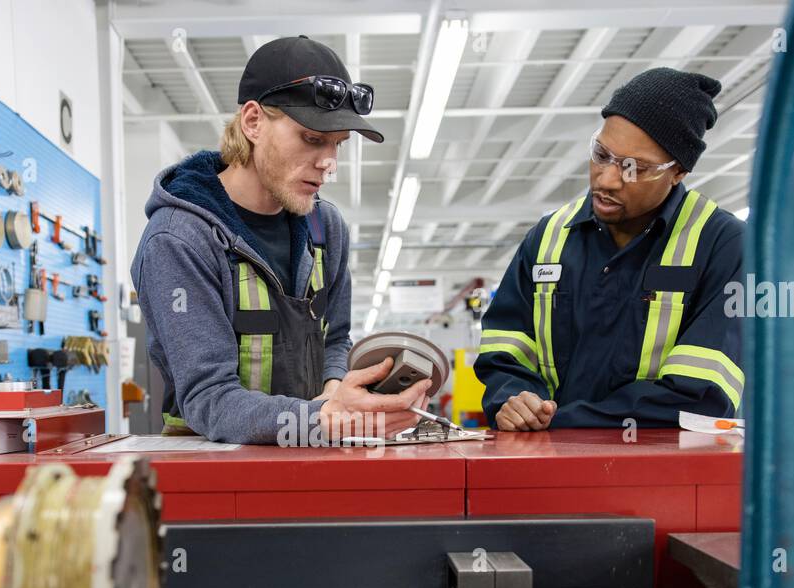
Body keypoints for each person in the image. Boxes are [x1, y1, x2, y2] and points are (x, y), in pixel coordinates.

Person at [132, 36, 428, 444]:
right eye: (312, 138)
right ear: (253, 122)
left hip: (306, 449)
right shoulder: (179, 240)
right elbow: (209, 399)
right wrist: (324, 417)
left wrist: (332, 391)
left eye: (337, 144)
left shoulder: (326, 227)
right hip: (210, 466)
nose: (328, 164)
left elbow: (336, 338)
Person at [476, 67, 745, 431]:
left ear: (678, 171)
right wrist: (514, 398)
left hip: (664, 476)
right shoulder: (548, 238)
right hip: (549, 470)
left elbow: (700, 397)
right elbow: (504, 348)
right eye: (601, 155)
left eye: (634, 168)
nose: (606, 180)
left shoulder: (724, 246)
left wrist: (560, 423)